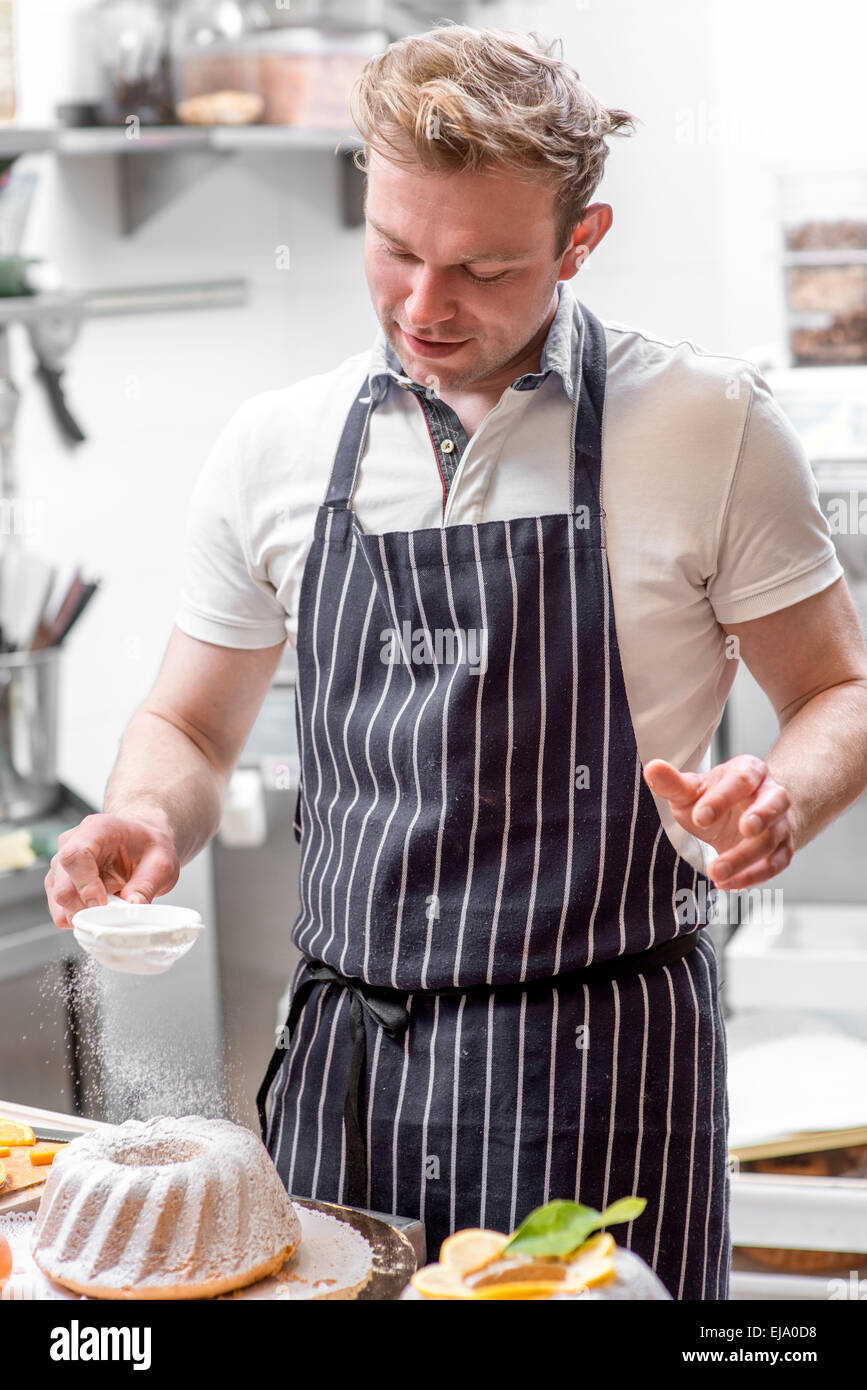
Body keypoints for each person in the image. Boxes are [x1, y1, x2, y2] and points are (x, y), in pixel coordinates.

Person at [44, 25, 867, 1301]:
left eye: (482, 268)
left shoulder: (712, 426)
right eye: (395, 251)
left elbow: (837, 691)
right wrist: (145, 814)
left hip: (600, 1071)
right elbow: (193, 728)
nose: (425, 307)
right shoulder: (279, 445)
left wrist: (784, 794)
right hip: (346, 1079)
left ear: (579, 241)